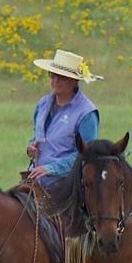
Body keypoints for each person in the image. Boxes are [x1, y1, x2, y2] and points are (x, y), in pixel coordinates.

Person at [26, 49, 102, 192]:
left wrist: (51, 169)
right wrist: (31, 147)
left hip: (67, 186)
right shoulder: (42, 104)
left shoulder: (87, 113)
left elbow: (86, 155)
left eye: (61, 78)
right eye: (52, 75)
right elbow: (36, 136)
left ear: (74, 81)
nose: (55, 81)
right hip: (34, 180)